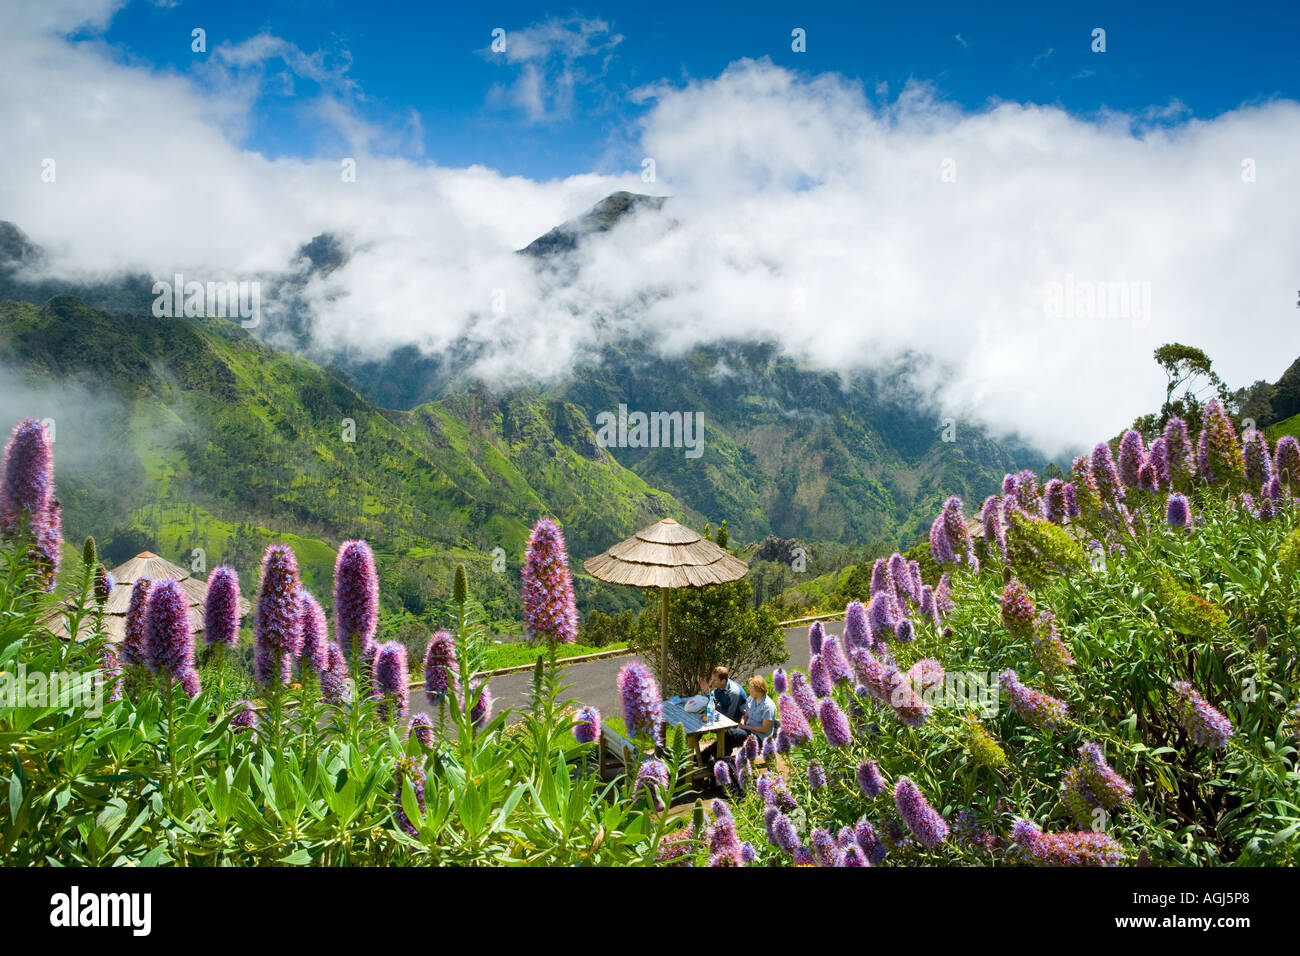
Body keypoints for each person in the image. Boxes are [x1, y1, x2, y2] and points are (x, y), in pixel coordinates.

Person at [697, 666, 749, 756]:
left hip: (737, 722)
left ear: (723, 681)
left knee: (706, 725)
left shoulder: (734, 693)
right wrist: (707, 692)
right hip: (724, 715)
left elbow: (730, 717)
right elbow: (712, 703)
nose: (711, 682)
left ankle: (703, 757)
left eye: (715, 680)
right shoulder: (719, 687)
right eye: (712, 679)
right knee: (699, 725)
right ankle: (683, 752)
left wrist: (714, 712)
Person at [737, 675, 777, 741]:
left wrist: (745, 727)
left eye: (751, 688)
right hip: (747, 730)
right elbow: (746, 716)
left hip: (760, 737)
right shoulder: (751, 699)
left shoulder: (768, 706)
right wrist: (742, 722)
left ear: (758, 689)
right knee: (729, 733)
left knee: (732, 734)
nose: (749, 690)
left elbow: (764, 729)